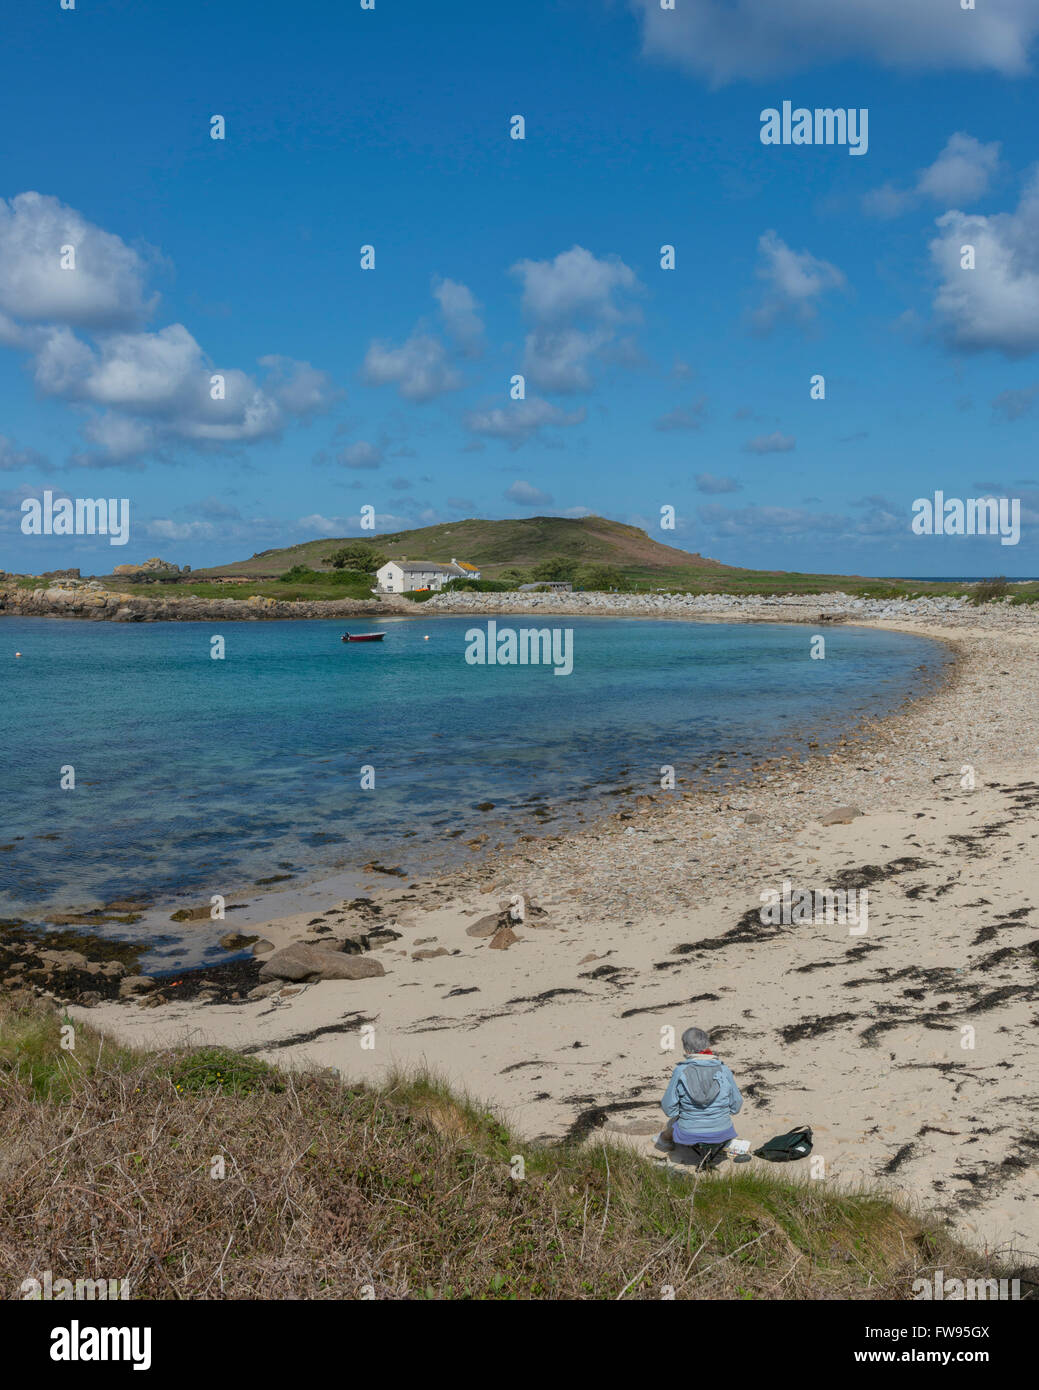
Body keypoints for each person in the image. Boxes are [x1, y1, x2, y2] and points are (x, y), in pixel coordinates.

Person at [655, 1027, 743, 1170]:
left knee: (674, 1119)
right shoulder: (724, 1070)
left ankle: (665, 1141)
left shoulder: (681, 1071)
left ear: (686, 1049)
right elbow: (736, 1105)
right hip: (723, 1132)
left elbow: (668, 1108)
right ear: (707, 1045)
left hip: (688, 1134)